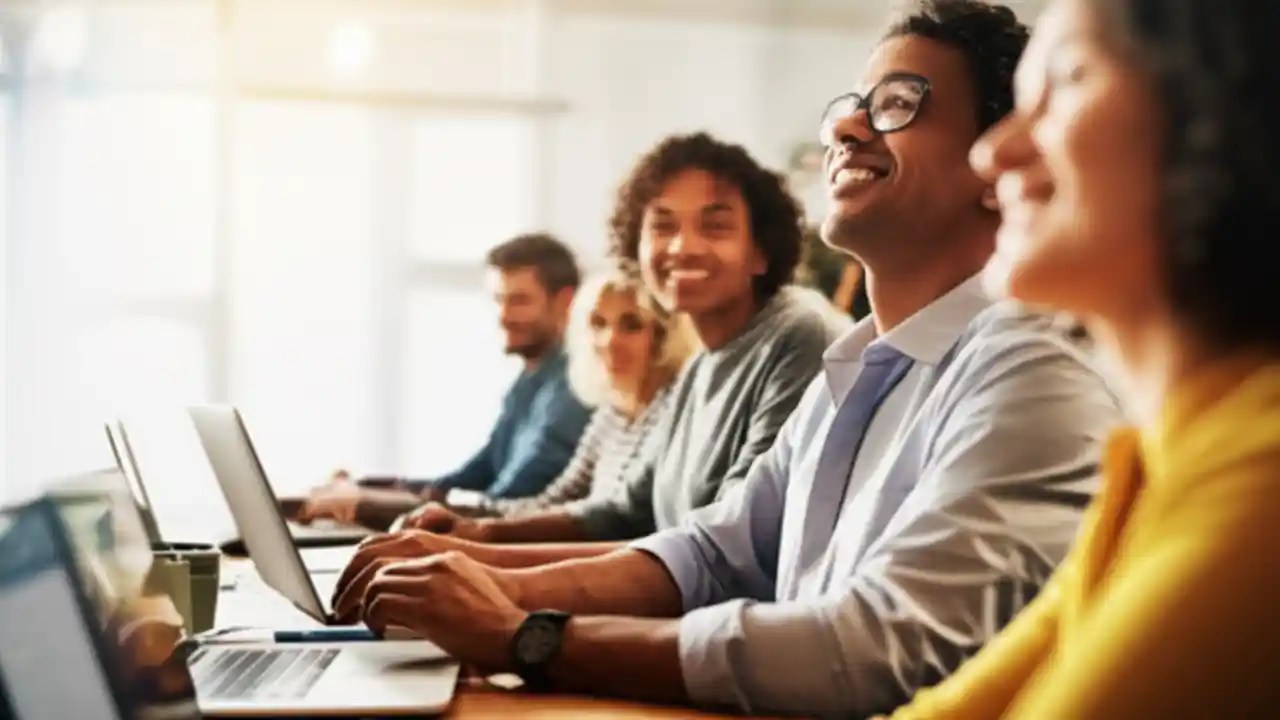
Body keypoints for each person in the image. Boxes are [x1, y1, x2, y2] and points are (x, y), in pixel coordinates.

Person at [328, 3, 1123, 716]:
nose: (848, 130)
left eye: (898, 106)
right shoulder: (859, 366)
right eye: (852, 109)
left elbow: (873, 647)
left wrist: (528, 634)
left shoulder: (1033, 365)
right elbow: (713, 550)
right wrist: (482, 582)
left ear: (999, 163)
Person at [883, 0, 1280, 716]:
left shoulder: (1263, 473)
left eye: (1067, 80)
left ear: (1219, 103)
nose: (993, 152)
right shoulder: (1155, 464)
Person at [395, 132, 849, 562]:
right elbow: (624, 510)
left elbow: (725, 542)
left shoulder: (799, 334)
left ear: (761, 251)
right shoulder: (699, 368)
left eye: (715, 226)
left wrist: (486, 558)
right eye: (662, 226)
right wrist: (477, 534)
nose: (682, 247)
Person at [297, 233, 592, 530]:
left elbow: (504, 500)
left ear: (564, 301)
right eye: (499, 300)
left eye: (519, 301)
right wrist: (366, 488)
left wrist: (365, 503)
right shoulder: (531, 380)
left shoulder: (577, 385)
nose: (503, 316)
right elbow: (472, 475)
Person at [413, 261, 697, 528]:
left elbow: (617, 520)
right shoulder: (612, 413)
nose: (609, 340)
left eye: (631, 325)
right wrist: (468, 514)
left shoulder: (673, 411)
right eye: (598, 324)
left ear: (663, 336)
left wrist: (479, 525)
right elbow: (553, 500)